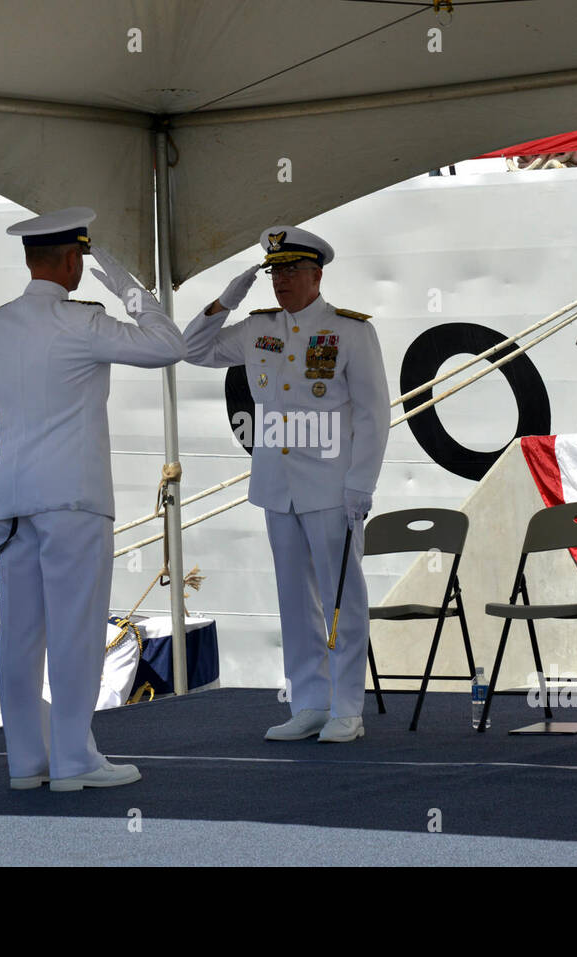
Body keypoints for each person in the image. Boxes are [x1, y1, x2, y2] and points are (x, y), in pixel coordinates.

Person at [0, 207, 185, 790]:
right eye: (83, 260)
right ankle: (72, 760)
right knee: (76, 630)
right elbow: (168, 345)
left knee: (20, 634)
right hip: (73, 500)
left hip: (10, 502)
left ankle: (25, 763)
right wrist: (126, 285)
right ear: (71, 260)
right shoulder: (82, 322)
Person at [183, 226, 389, 742]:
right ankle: (310, 703)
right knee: (295, 601)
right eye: (275, 271)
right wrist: (225, 299)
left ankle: (346, 708)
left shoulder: (350, 332)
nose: (282, 281)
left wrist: (361, 483)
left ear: (317, 274)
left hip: (332, 487)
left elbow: (373, 414)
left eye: (293, 270)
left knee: (342, 599)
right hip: (278, 486)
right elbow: (192, 350)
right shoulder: (257, 330)